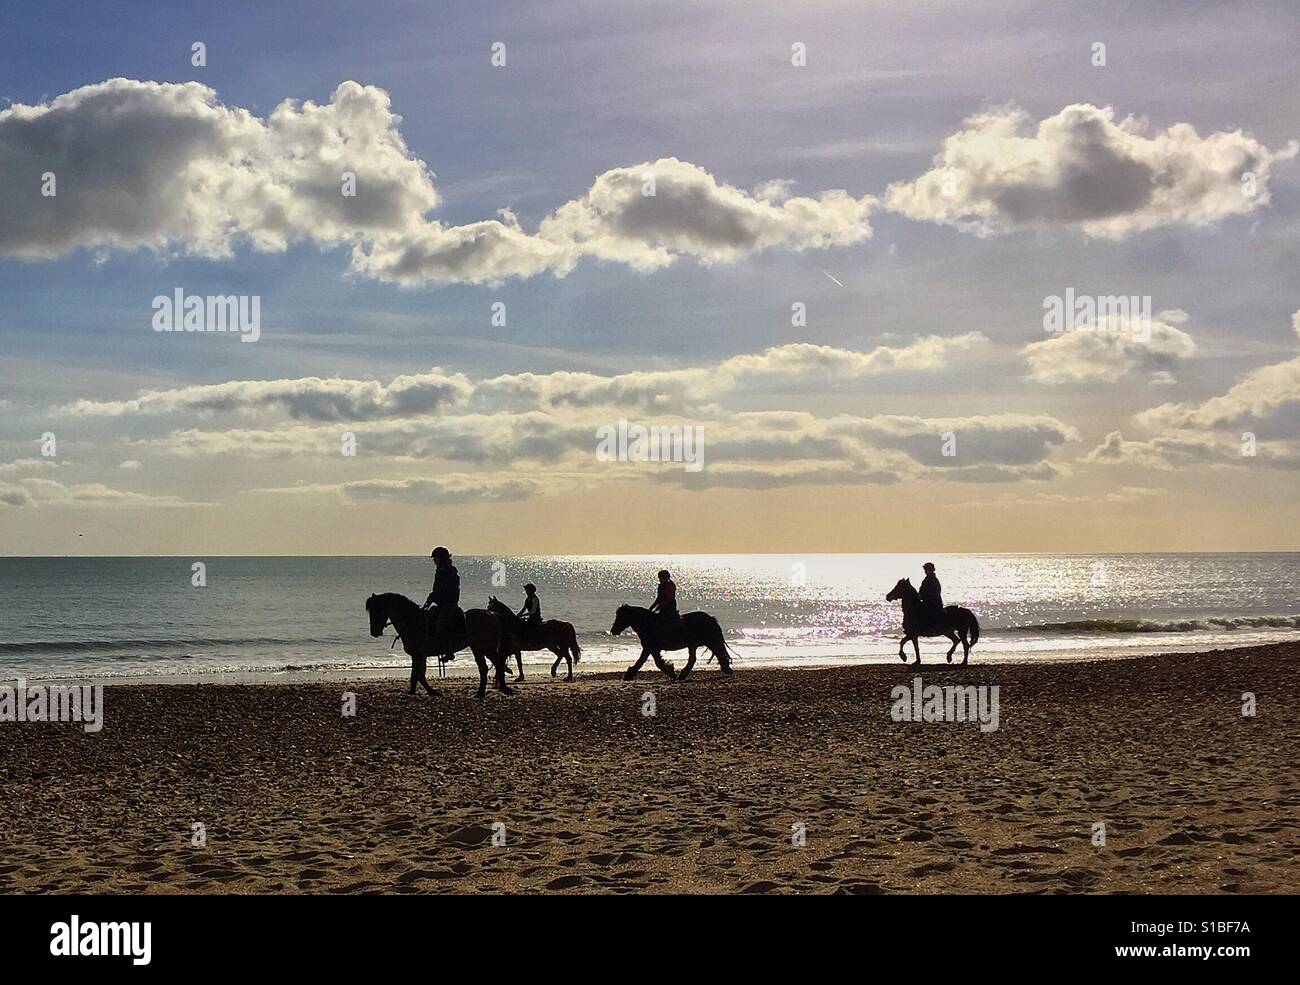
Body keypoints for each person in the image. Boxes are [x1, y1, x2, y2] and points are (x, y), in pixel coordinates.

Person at [423, 546, 463, 654]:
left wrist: (436, 596)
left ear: (442, 558)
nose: (434, 560)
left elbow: (448, 590)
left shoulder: (450, 572)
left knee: (441, 623)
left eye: (435, 558)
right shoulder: (440, 571)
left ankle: (448, 651)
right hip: (441, 604)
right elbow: (437, 588)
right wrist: (431, 597)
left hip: (449, 604)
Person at [919, 561, 944, 630]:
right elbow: (921, 590)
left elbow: (936, 592)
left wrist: (924, 596)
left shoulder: (933, 580)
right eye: (925, 570)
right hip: (927, 601)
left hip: (933, 603)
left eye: (926, 569)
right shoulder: (926, 579)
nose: (925, 571)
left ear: (930, 570)